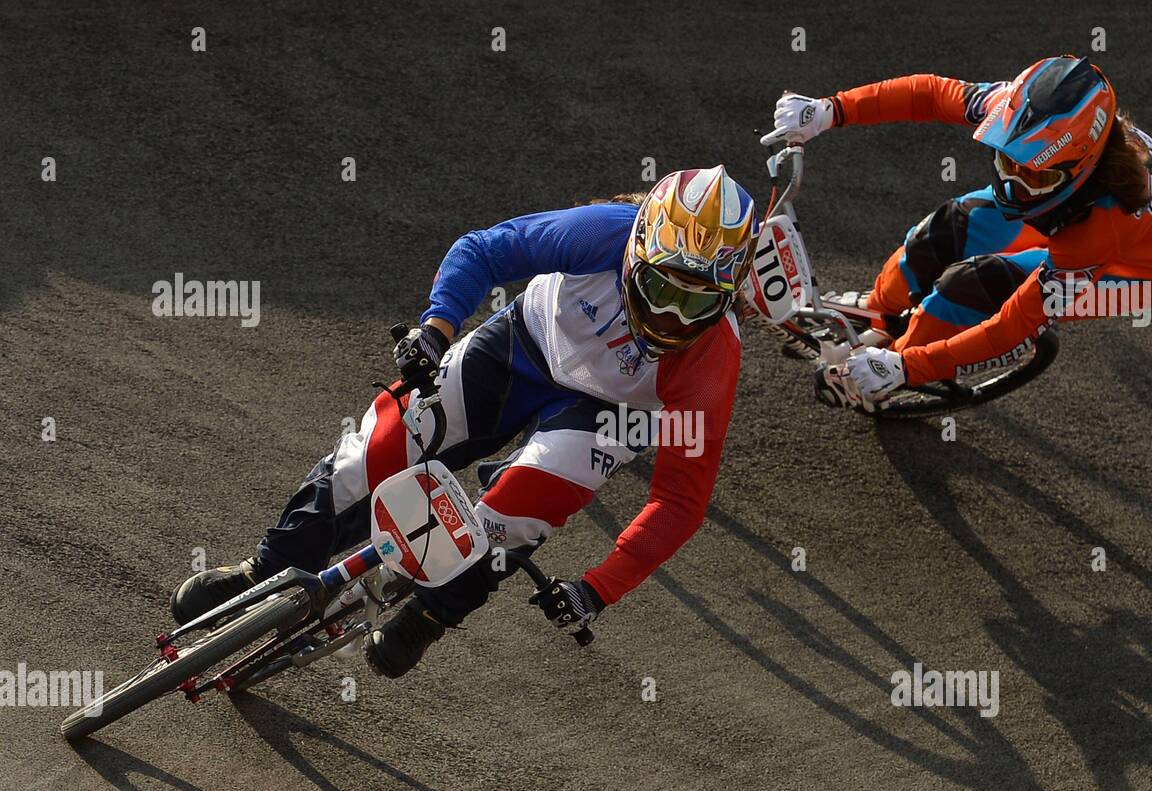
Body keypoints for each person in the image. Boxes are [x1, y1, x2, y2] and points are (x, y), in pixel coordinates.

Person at [170, 166, 760, 677]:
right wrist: (436, 329)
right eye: (660, 287)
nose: (669, 315)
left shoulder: (713, 363)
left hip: (611, 411)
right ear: (637, 250)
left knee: (518, 509)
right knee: (379, 450)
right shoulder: (602, 230)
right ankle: (266, 567)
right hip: (525, 345)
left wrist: (598, 588)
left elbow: (680, 501)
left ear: (727, 294)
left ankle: (428, 616)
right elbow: (483, 250)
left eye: (696, 302)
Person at [760, 56, 1152, 404]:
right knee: (949, 227)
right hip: (1080, 209)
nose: (1014, 186)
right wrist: (829, 111)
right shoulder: (1018, 113)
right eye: (1007, 161)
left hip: (1137, 274)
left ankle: (889, 365)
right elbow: (929, 95)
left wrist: (907, 368)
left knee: (972, 285)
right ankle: (881, 312)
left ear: (1079, 169)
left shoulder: (1099, 229)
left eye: (1035, 175)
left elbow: (1013, 326)